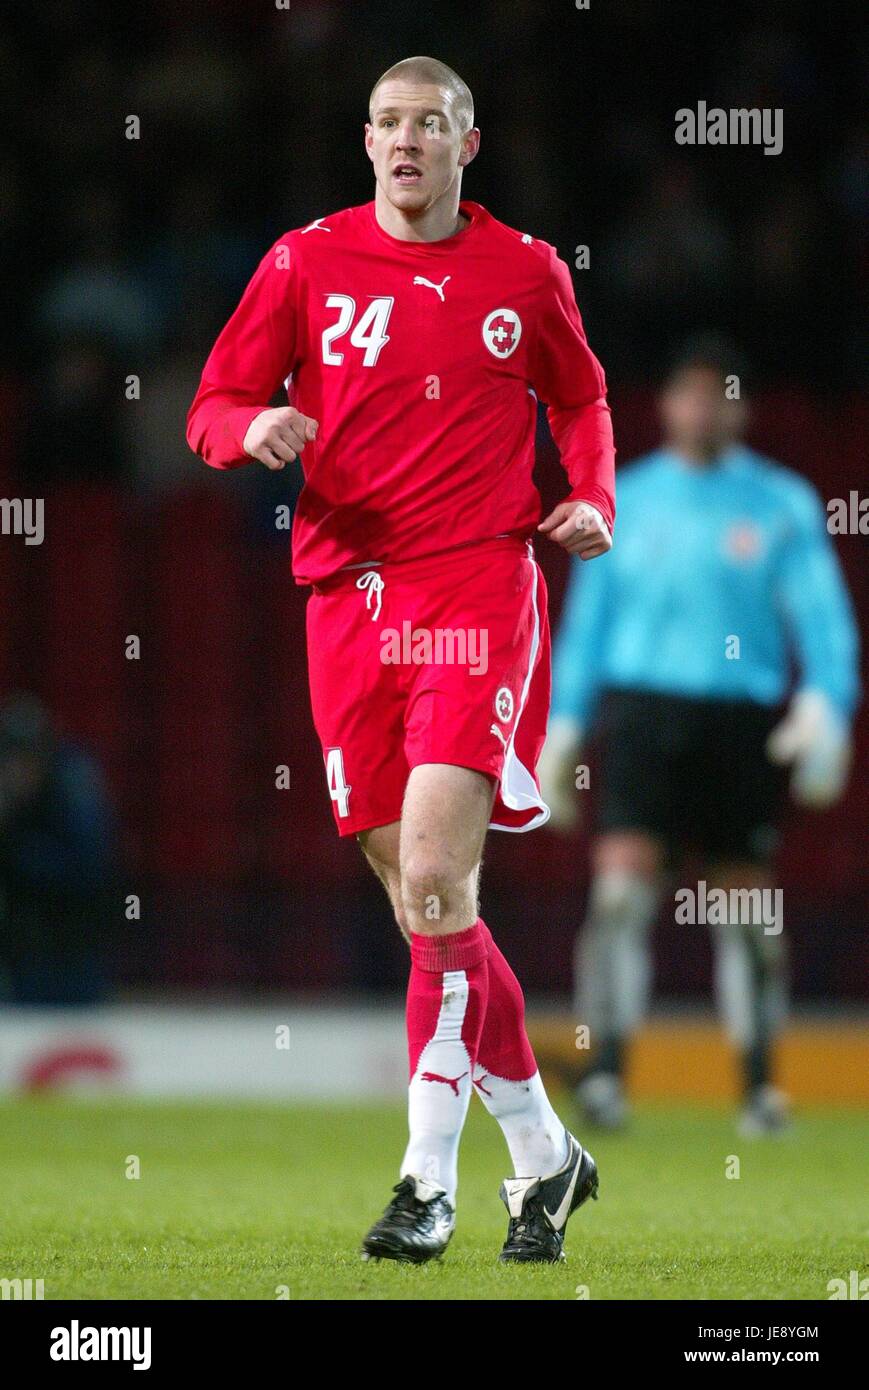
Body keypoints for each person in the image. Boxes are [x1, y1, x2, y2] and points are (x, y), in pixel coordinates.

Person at [187, 56, 615, 1263]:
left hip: (477, 579)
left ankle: (424, 1181)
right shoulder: (302, 260)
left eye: (429, 123)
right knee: (430, 907)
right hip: (345, 600)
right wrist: (247, 427)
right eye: (386, 123)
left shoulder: (524, 271)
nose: (405, 141)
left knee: (433, 873)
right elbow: (211, 399)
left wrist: (590, 495)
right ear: (365, 140)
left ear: (466, 144)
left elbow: (580, 401)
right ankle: (545, 1156)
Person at [539, 336, 860, 1135]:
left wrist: (826, 705)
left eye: (718, 395)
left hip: (739, 723)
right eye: (688, 395)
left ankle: (758, 1086)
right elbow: (586, 625)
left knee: (744, 909)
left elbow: (821, 618)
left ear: (740, 407)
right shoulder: (627, 500)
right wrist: (564, 725)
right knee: (619, 895)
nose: (702, 410)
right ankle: (606, 1074)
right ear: (666, 406)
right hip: (645, 714)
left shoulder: (780, 504)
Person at [0, 693, 116, 1004]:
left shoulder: (73, 789)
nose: (18, 771)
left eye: (26, 760)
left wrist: (15, 846)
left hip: (71, 954)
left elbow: (89, 870)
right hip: (21, 954)